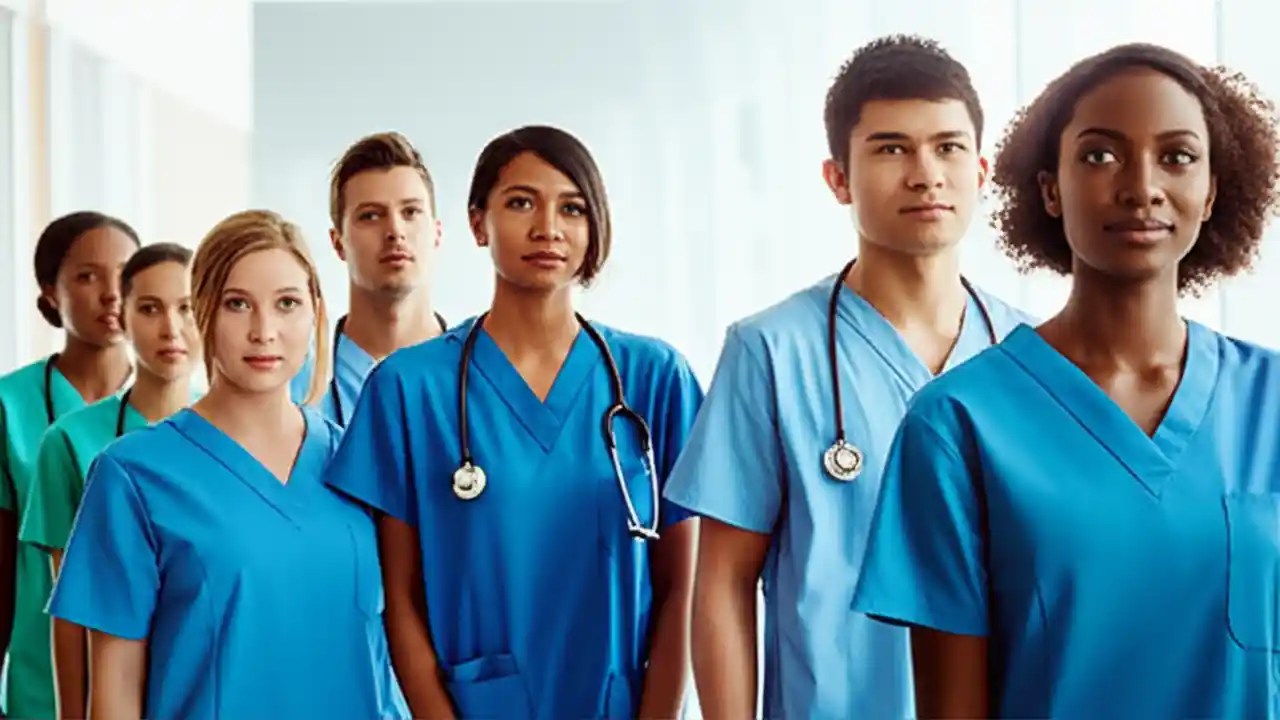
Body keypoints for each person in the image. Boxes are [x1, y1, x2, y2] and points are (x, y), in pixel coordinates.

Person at [852, 42, 1280, 718]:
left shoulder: (1272, 404)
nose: (1142, 187)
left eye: (1177, 157)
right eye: (1100, 155)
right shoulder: (958, 425)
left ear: (1213, 189)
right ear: (1050, 187)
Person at [661, 35, 1033, 720]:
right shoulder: (771, 351)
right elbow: (723, 582)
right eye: (892, 149)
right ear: (837, 177)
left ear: (981, 171)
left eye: (948, 147)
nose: (925, 174)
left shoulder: (1031, 357)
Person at [326, 125, 704, 720]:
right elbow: (399, 598)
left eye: (572, 208)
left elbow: (684, 586)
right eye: (521, 202)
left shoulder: (653, 379)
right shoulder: (410, 389)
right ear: (478, 223)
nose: (547, 227)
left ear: (594, 226)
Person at [46, 210, 406, 719]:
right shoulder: (133, 476)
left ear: (315, 314)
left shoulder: (360, 463)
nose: (264, 331)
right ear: (205, 312)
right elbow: (115, 691)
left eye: (287, 304)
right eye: (239, 304)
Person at [21, 242, 199, 718]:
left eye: (187, 308)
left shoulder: (230, 435)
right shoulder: (69, 442)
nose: (171, 329)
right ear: (123, 318)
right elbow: (73, 614)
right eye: (149, 309)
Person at [0, 211, 138, 720]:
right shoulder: (8, 405)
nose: (111, 293)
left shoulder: (186, 410)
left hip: (147, 675)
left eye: (125, 275)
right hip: (41, 681)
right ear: (49, 293)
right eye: (87, 276)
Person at [322, 131, 448, 426]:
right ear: (338, 242)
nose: (395, 231)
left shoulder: (483, 379)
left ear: (437, 232)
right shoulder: (297, 391)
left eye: (411, 212)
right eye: (370, 216)